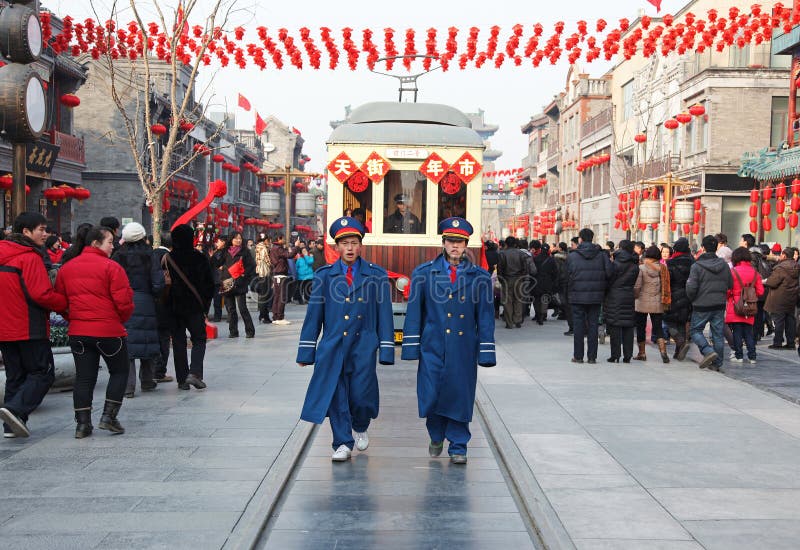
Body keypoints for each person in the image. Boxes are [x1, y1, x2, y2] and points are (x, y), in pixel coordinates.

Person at [297, 216, 395, 462]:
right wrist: (306, 352)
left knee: (362, 395)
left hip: (363, 346)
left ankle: (360, 424)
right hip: (333, 346)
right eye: (345, 243)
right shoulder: (324, 276)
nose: (350, 248)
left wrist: (386, 349)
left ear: (361, 245)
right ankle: (342, 442)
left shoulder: (376, 275)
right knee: (336, 394)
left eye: (354, 242)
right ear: (336, 247)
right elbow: (313, 317)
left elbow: (385, 314)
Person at [402, 217, 495, 464]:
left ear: (466, 245)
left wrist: (486, 351)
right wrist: (411, 347)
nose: (455, 246)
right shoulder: (424, 274)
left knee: (460, 395)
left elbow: (485, 317)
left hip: (463, 348)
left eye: (460, 242)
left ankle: (458, 444)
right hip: (432, 346)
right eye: (451, 241)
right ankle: (435, 435)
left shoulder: (480, 278)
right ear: (443, 242)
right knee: (431, 394)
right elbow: (414, 313)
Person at [55, 226, 134, 437]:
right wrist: (120, 320)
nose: (113, 245)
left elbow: (60, 301)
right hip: (108, 330)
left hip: (79, 331)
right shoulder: (111, 267)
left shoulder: (67, 268)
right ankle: (109, 417)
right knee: (119, 371)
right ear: (95, 243)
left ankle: (82, 424)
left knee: (84, 377)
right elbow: (124, 302)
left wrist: (72, 318)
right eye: (109, 241)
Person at [0, 212, 67, 438]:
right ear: (26, 232)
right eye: (41, 229)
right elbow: (41, 294)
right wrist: (64, 303)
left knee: (15, 375)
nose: (45, 234)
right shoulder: (29, 257)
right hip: (28, 325)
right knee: (43, 373)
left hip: (4, 327)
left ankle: (12, 425)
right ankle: (14, 410)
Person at [112, 222, 165, 397]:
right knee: (147, 340)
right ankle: (148, 380)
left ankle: (128, 386)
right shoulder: (150, 255)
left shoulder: (118, 256)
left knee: (127, 343)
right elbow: (158, 282)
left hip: (123, 301)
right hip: (146, 300)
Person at [166, 225, 215, 391]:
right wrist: (205, 306)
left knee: (178, 341)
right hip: (194, 307)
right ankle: (194, 373)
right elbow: (209, 285)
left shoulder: (168, 258)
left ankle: (181, 380)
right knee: (199, 339)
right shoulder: (199, 258)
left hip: (173, 307)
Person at [685, 235, 734, 371]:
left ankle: (707, 351)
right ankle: (717, 363)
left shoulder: (697, 266)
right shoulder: (724, 265)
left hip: (701, 304)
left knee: (695, 330)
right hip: (719, 304)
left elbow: (691, 287)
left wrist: (692, 298)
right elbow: (730, 284)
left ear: (703, 248)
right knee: (718, 334)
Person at [566, 228, 613, 364]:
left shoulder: (572, 256)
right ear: (592, 238)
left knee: (579, 326)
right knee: (593, 325)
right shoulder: (602, 255)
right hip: (596, 296)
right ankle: (592, 357)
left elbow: (566, 276)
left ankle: (578, 356)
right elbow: (610, 273)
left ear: (580, 239)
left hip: (577, 296)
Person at [213, 231, 256, 338]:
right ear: (231, 240)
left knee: (242, 308)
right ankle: (233, 332)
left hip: (239, 283)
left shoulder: (245, 251)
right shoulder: (225, 251)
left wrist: (244, 275)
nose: (238, 240)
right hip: (227, 283)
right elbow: (216, 263)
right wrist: (215, 252)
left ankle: (250, 331)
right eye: (236, 238)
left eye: (240, 238)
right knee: (231, 309)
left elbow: (251, 266)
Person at [726, 247, 765, 363]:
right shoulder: (755, 272)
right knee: (748, 331)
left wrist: (733, 295)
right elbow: (761, 291)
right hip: (750, 305)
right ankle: (752, 356)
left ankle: (739, 355)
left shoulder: (733, 272)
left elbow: (727, 290)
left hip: (736, 304)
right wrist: (751, 295)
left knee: (737, 331)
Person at [634, 246, 671, 363]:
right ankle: (663, 352)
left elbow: (637, 286)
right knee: (658, 328)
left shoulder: (641, 268)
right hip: (657, 302)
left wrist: (634, 296)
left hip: (642, 302)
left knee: (641, 328)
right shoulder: (663, 269)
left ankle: (642, 353)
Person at [604, 240, 638, 363]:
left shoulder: (615, 264)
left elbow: (609, 279)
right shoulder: (635, 265)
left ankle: (615, 355)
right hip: (629, 296)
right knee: (628, 326)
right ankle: (628, 355)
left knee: (615, 326)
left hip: (614, 296)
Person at [764, 247, 800, 350]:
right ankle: (791, 343)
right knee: (790, 320)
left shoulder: (781, 268)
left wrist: (766, 281)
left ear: (784, 255)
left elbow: (772, 282)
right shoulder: (796, 266)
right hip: (792, 297)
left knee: (779, 321)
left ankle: (777, 342)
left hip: (779, 297)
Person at [664, 238, 694, 361]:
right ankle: (678, 351)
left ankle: (680, 341)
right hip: (688, 295)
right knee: (682, 322)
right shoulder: (693, 262)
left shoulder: (671, 263)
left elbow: (667, 280)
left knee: (668, 321)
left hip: (674, 294)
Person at [152, 230, 174, 384]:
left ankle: (149, 371)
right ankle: (160, 372)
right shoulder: (170, 258)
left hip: (150, 302)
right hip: (165, 301)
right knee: (164, 337)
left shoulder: (151, 254)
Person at [497, 236, 532, 329]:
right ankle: (517, 320)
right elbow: (525, 268)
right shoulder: (521, 254)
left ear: (506, 244)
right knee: (518, 300)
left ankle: (509, 322)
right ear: (515, 244)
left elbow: (500, 268)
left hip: (507, 279)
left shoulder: (502, 254)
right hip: (519, 279)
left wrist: (501, 279)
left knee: (507, 301)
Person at [269, 234, 295, 325]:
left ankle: (276, 316)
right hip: (280, 275)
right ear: (279, 239)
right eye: (283, 238)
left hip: (278, 274)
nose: (284, 240)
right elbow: (289, 255)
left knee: (277, 296)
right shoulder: (278, 248)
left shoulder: (274, 248)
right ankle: (279, 317)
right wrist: (297, 247)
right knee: (281, 297)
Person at [531, 241, 557, 325]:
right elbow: (555, 272)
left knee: (537, 299)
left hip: (537, 281)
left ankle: (538, 315)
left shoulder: (535, 259)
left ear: (541, 249)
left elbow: (532, 271)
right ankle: (543, 315)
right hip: (547, 282)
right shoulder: (551, 260)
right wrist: (552, 281)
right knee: (545, 299)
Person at [254, 233, 273, 324]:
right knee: (265, 295)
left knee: (262, 295)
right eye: (268, 240)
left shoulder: (257, 247)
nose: (269, 242)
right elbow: (267, 260)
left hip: (259, 272)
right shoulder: (263, 248)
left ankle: (262, 315)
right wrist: (272, 265)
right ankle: (264, 316)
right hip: (264, 272)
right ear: (265, 240)